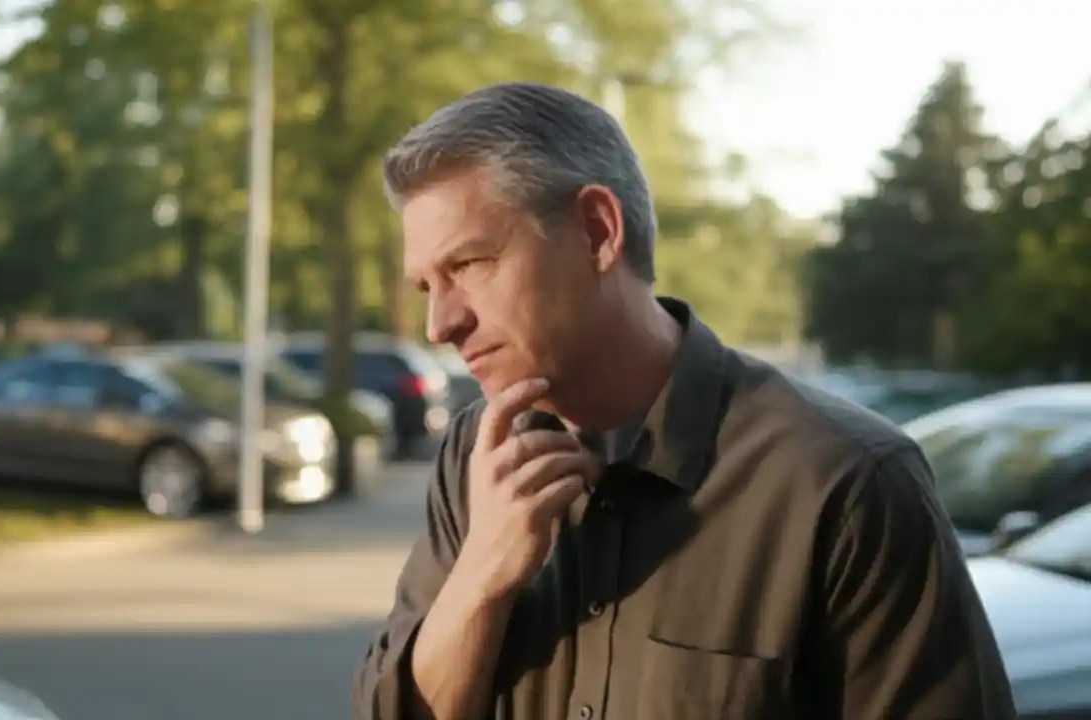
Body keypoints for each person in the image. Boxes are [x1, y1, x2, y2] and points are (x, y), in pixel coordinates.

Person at [353, 82, 1014, 720]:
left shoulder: (845, 484)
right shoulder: (475, 456)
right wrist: (480, 583)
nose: (440, 324)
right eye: (425, 285)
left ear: (596, 230)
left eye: (469, 265)